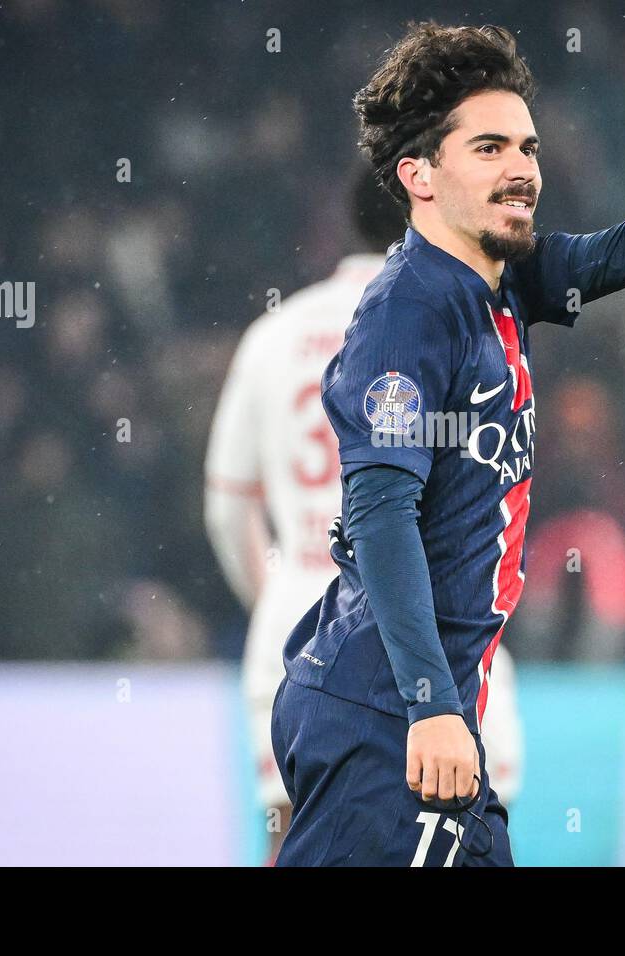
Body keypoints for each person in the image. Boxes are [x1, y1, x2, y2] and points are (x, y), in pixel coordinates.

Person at [271, 21, 625, 866]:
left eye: (526, 146)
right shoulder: (407, 315)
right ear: (418, 177)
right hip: (384, 716)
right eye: (489, 147)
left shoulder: (499, 283)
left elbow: (609, 257)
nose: (522, 168)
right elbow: (381, 514)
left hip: (425, 712)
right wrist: (428, 706)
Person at [205, 167, 524, 863]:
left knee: (295, 832)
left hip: (301, 624)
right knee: (461, 830)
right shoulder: (462, 323)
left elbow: (228, 507)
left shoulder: (275, 333)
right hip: (437, 621)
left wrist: (277, 593)